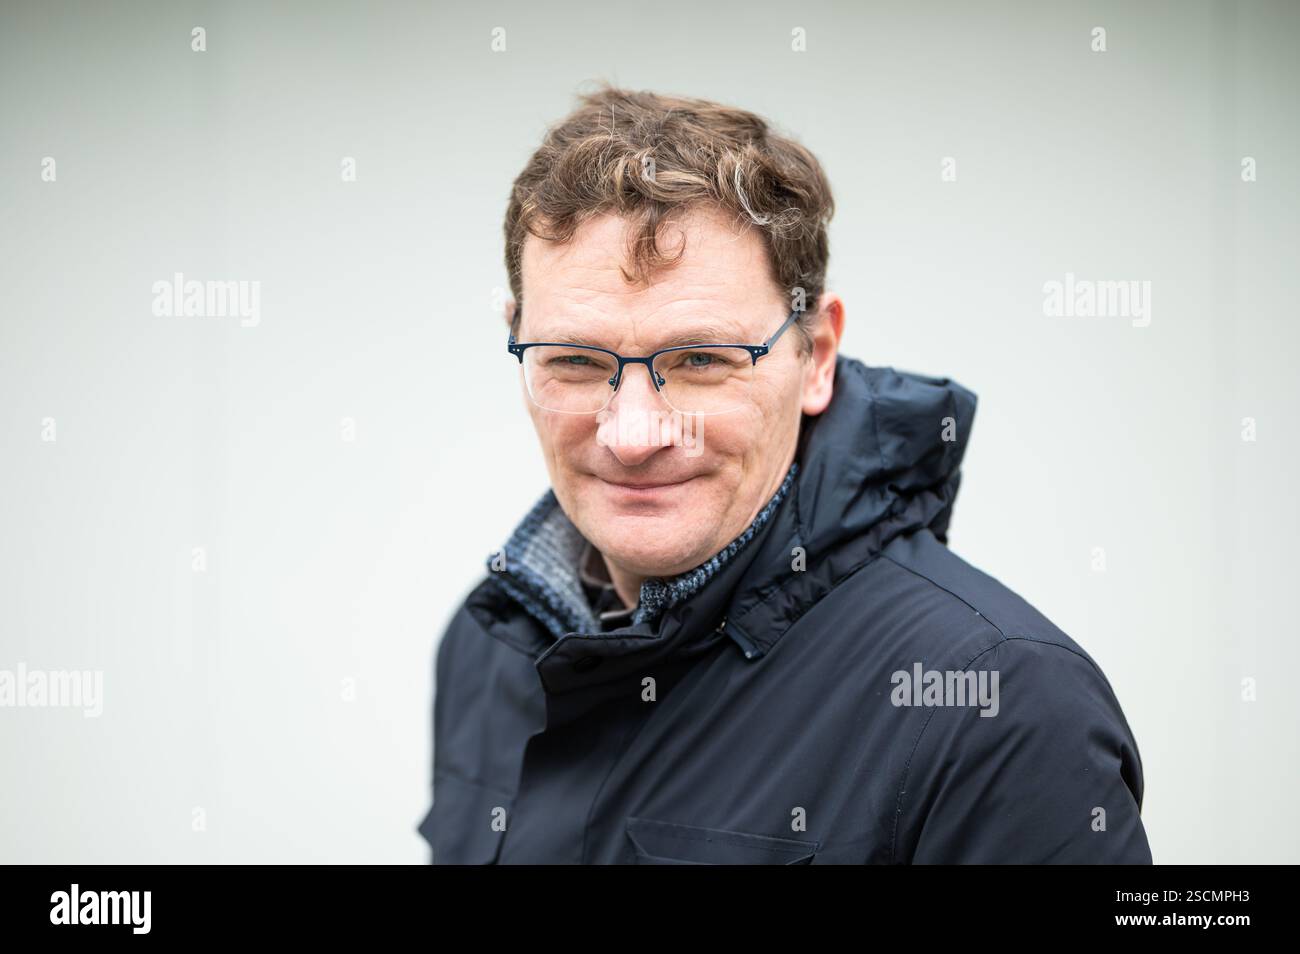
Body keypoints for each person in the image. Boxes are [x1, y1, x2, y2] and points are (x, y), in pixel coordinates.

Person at [418, 84, 1152, 864]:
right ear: (516, 341)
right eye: (573, 359)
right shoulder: (489, 645)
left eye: (701, 360)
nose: (633, 434)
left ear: (816, 356)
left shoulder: (1000, 706)